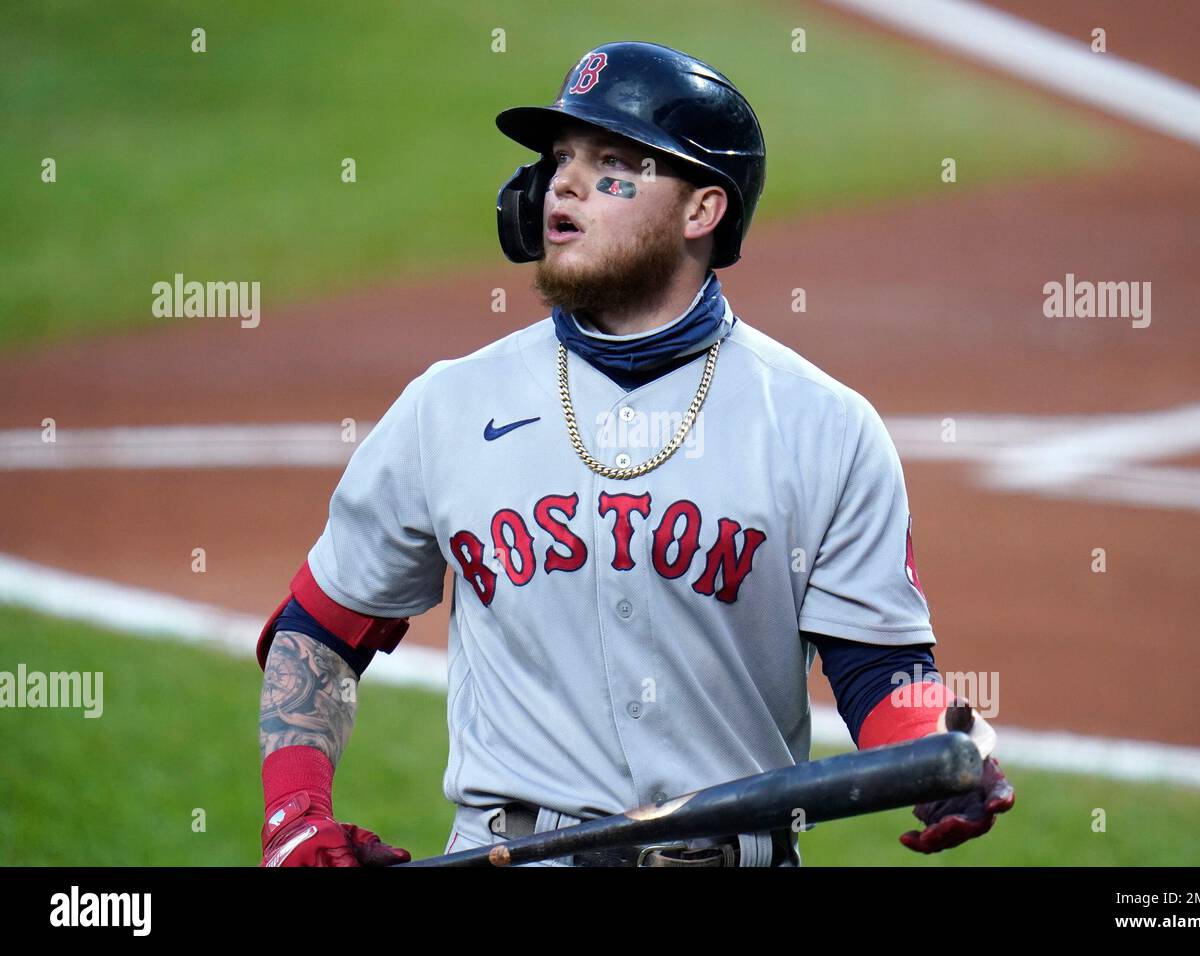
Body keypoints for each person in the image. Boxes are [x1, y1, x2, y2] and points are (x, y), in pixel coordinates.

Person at [255, 40, 1014, 868]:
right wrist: (296, 814)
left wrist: (943, 746)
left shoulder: (822, 426)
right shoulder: (450, 406)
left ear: (702, 211)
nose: (565, 186)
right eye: (560, 161)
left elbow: (878, 670)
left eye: (613, 163)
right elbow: (320, 628)